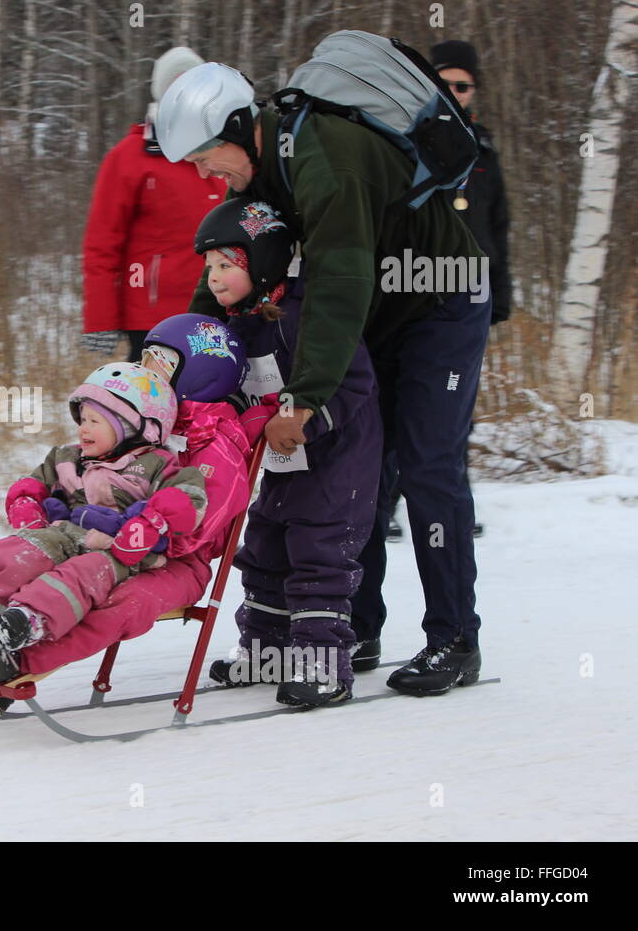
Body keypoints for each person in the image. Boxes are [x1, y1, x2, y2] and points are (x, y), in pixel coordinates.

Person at [157, 60, 487, 695]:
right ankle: (356, 626)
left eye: (204, 156)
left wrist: (305, 401)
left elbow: (337, 285)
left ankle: (454, 638)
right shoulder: (259, 170)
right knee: (362, 461)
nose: (203, 173)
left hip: (440, 300)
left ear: (236, 127)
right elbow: (223, 278)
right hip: (377, 307)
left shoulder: (323, 164)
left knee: (426, 466)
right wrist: (173, 366)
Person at [175, 197, 382, 707]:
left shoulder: (304, 316)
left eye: (226, 265)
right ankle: (267, 654)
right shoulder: (239, 324)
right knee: (265, 545)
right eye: (209, 267)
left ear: (262, 263)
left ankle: (322, 667)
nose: (214, 278)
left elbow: (354, 383)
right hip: (280, 463)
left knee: (318, 553)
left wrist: (309, 425)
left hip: (338, 460)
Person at [0, 363, 210, 716]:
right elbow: (32, 483)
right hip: (65, 536)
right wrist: (25, 503)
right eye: (82, 419)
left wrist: (151, 521)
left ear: (133, 427)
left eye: (95, 421)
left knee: (86, 572)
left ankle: (28, 622)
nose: (83, 430)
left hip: (117, 550)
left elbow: (188, 499)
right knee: (23, 553)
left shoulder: (159, 466)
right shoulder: (66, 458)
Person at [384, 40, 513, 542]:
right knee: (404, 400)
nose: (455, 93)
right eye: (446, 83)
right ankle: (389, 500)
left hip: (469, 298)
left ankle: (453, 496)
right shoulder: (405, 140)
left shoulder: (484, 150)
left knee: (457, 404)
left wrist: (501, 291)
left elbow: (498, 226)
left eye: (464, 85)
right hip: (413, 290)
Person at [81, 47, 228, 362]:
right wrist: (101, 320)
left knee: (214, 408)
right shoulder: (128, 159)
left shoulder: (224, 151)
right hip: (152, 321)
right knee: (155, 408)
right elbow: (101, 246)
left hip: (221, 313)